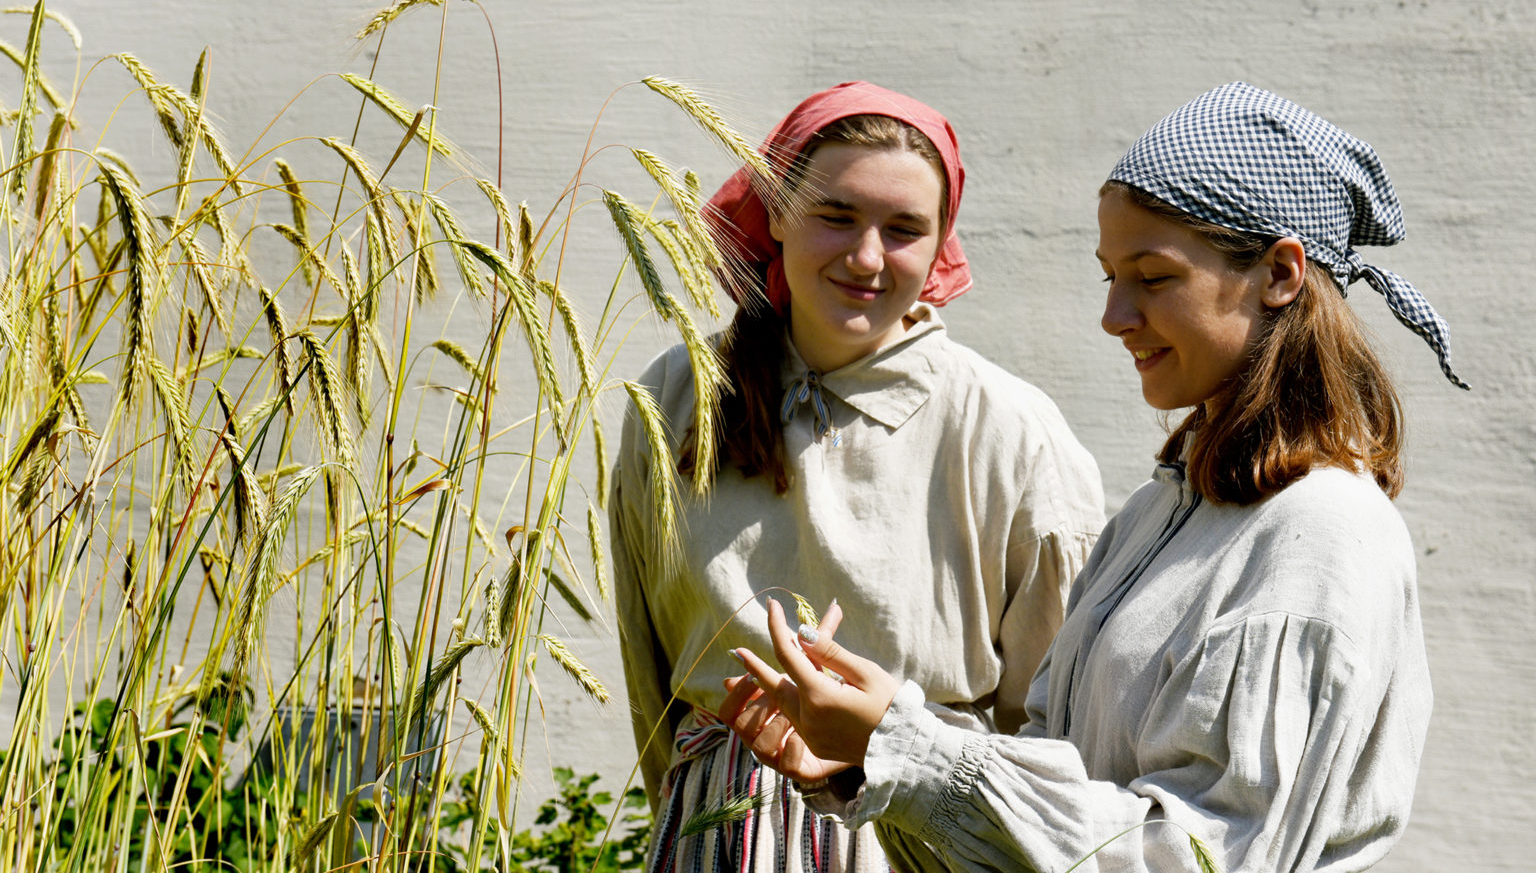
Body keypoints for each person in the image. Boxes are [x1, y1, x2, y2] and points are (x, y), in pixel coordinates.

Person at [721, 81, 1465, 872]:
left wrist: (911, 749)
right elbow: (1065, 792)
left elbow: (1209, 854)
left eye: (1152, 276)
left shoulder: (1319, 535)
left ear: (1281, 274)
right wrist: (872, 761)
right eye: (1110, 275)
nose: (1114, 315)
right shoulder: (1158, 512)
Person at [611, 81, 1105, 873]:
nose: (867, 258)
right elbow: (652, 677)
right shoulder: (679, 399)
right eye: (835, 216)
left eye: (904, 230)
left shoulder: (1012, 432)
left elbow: (1057, 719)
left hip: (920, 843)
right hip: (718, 839)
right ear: (775, 213)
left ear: (941, 243)